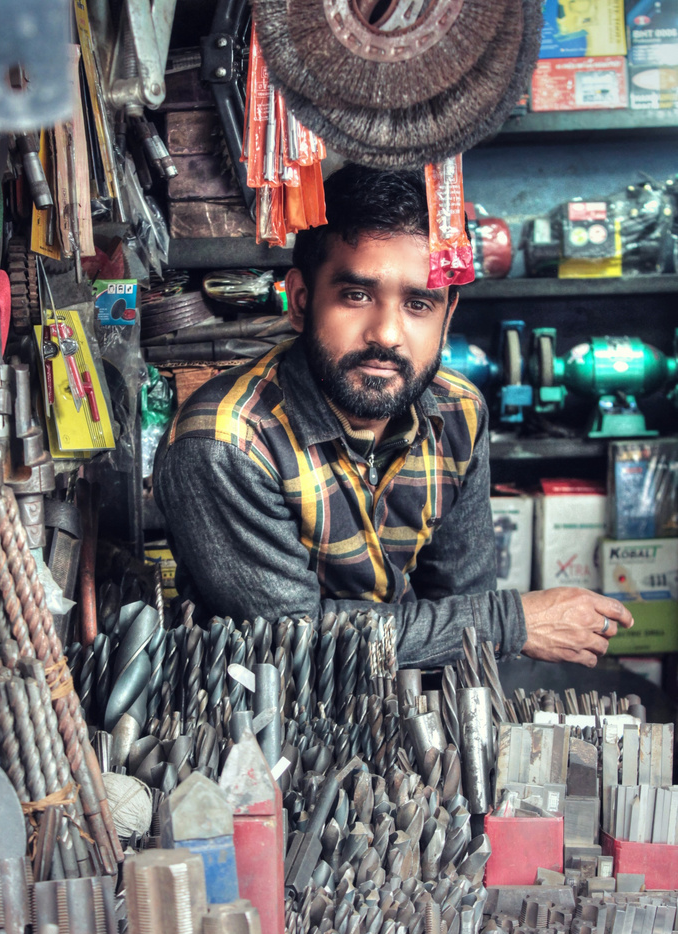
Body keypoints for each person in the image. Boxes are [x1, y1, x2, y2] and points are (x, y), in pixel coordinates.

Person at [154, 165, 632, 668]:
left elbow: (460, 600)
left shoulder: (458, 411)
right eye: (356, 295)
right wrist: (508, 623)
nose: (387, 333)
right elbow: (292, 645)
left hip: (403, 711)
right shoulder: (227, 439)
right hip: (255, 720)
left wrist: (478, 635)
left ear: (447, 316)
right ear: (300, 301)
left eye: (419, 303)